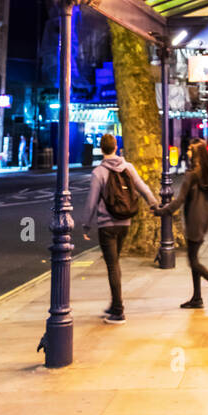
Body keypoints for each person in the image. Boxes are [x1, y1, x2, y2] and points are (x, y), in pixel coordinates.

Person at [82, 132, 159, 324]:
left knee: (112, 265)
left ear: (101, 149)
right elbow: (142, 187)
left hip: (106, 225)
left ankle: (118, 310)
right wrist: (153, 204)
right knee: (115, 264)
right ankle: (114, 304)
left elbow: (91, 202)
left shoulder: (99, 172)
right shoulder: (128, 168)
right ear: (116, 147)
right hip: (125, 222)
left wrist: (86, 225)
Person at [154, 139, 208, 310]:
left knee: (193, 262)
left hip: (194, 220)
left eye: (190, 150)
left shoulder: (192, 174)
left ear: (196, 153)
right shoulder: (206, 172)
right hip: (203, 218)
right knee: (193, 258)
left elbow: (179, 200)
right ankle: (197, 298)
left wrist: (162, 211)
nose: (187, 152)